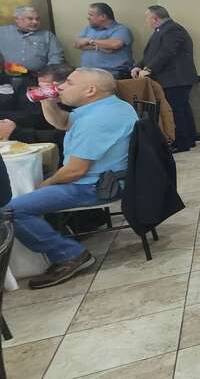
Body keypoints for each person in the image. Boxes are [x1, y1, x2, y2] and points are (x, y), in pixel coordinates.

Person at [1, 68, 137, 289]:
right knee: (29, 189)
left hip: (95, 186)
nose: (61, 86)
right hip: (103, 178)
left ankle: (68, 255)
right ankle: (60, 237)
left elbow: (75, 171)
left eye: (69, 83)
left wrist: (44, 184)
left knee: (9, 210)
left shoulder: (97, 120)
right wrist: (47, 100)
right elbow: (63, 123)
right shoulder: (108, 105)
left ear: (90, 90)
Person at [132, 5, 198, 152]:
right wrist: (138, 66)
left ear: (154, 18)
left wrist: (148, 69)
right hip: (173, 79)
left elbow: (166, 53)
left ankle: (182, 142)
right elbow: (152, 54)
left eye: (147, 18)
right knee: (181, 108)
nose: (147, 21)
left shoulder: (173, 29)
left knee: (177, 110)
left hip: (176, 78)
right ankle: (188, 139)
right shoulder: (162, 31)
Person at [74, 2, 134, 79]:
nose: (88, 17)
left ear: (103, 16)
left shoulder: (121, 29)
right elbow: (76, 44)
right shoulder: (88, 29)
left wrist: (89, 40)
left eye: (91, 15)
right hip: (87, 73)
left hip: (112, 74)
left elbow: (114, 44)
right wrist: (100, 46)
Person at [0, 6, 65, 75]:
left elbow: (56, 56)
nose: (35, 22)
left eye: (37, 19)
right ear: (17, 19)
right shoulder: (3, 32)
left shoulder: (47, 35)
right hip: (8, 76)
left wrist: (47, 74)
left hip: (38, 76)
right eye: (30, 19)